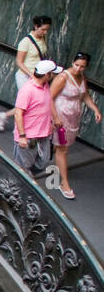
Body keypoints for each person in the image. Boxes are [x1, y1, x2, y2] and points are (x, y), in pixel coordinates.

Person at [49, 53, 98, 199]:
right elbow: (50, 97)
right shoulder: (63, 77)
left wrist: (95, 109)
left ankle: (50, 167)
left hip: (73, 116)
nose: (78, 69)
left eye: (82, 66)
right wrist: (56, 117)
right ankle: (64, 183)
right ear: (72, 62)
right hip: (61, 116)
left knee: (63, 147)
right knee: (62, 148)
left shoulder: (82, 78)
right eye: (76, 65)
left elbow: (85, 95)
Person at [0, 16, 52, 132]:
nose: (45, 32)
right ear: (36, 26)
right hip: (25, 75)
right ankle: (18, 129)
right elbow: (19, 62)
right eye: (43, 29)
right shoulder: (25, 42)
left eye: (47, 30)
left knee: (30, 104)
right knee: (26, 104)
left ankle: (4, 116)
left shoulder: (42, 39)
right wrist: (31, 75)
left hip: (38, 76)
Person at [14, 60, 63, 181]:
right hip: (30, 135)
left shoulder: (45, 85)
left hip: (44, 133)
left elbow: (48, 101)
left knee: (44, 162)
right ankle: (24, 183)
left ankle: (27, 178)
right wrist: (22, 136)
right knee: (23, 167)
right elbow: (18, 113)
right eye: (52, 73)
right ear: (47, 75)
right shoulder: (27, 90)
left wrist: (53, 120)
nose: (53, 76)